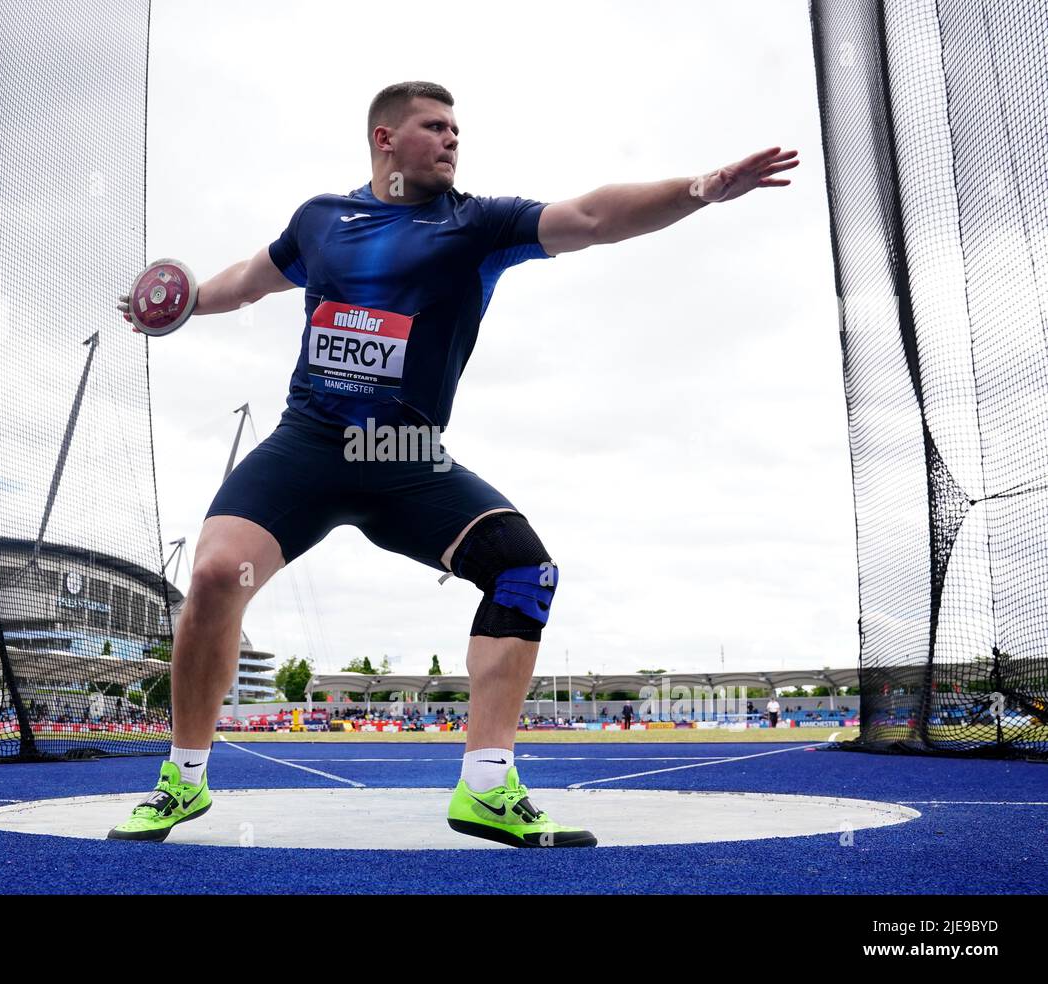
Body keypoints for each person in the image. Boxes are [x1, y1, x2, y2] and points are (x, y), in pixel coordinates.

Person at [108, 80, 797, 848]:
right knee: (212, 574)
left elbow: (597, 218)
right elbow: (251, 280)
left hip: (406, 460)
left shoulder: (478, 225)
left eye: (456, 129)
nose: (451, 139)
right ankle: (183, 781)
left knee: (522, 569)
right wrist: (182, 302)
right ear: (385, 139)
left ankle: (486, 785)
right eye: (435, 126)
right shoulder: (320, 222)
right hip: (307, 447)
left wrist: (698, 190)